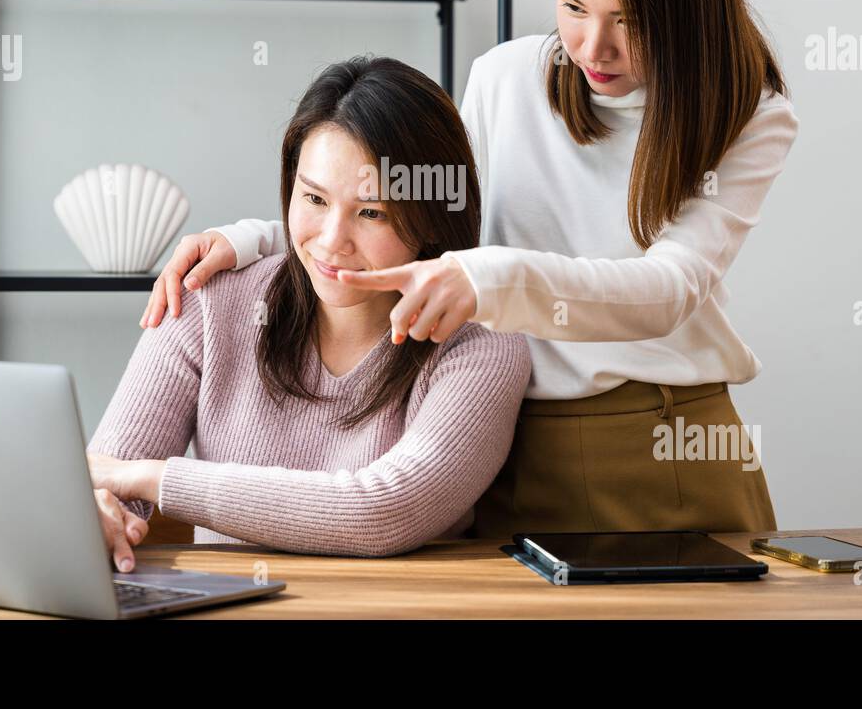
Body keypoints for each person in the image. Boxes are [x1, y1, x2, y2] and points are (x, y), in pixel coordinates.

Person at [140, 0, 800, 539]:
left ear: (687, 8)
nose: (593, 46)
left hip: (668, 441)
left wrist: (486, 278)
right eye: (573, 6)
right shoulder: (505, 78)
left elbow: (670, 289)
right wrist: (257, 238)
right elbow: (419, 214)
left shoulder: (749, 113)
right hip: (511, 439)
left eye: (629, 19)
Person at [86, 56, 530, 569]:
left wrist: (156, 479)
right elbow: (106, 481)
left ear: (432, 219)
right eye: (314, 198)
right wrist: (98, 509)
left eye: (372, 212)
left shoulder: (482, 343)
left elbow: (382, 511)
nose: (331, 241)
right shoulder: (209, 303)